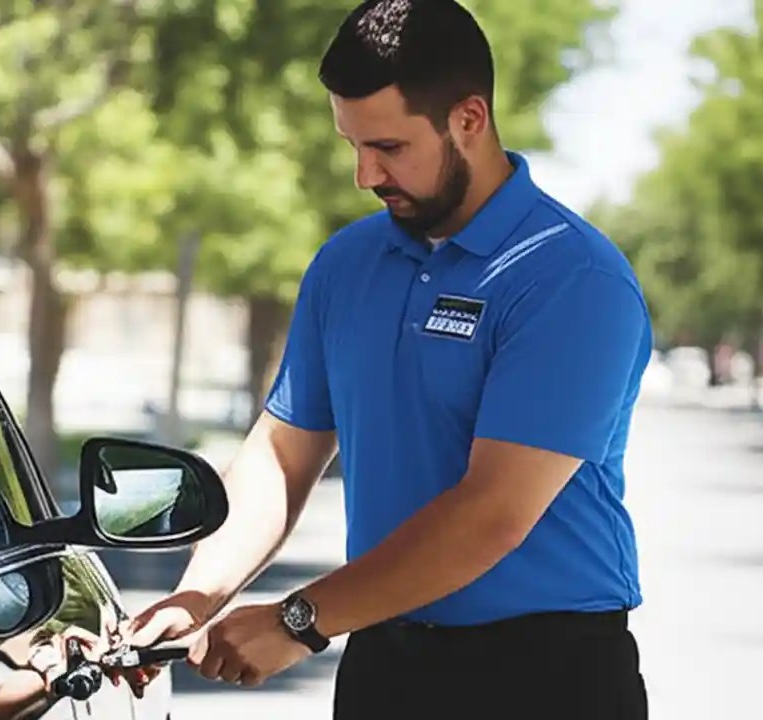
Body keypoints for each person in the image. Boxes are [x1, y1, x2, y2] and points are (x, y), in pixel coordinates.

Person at [119, 1, 653, 718]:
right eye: (353, 145)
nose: (364, 175)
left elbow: (492, 512)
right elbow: (282, 453)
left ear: (469, 118)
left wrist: (298, 620)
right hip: (383, 668)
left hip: (546, 675)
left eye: (390, 148)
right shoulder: (346, 265)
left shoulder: (570, 278)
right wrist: (196, 597)